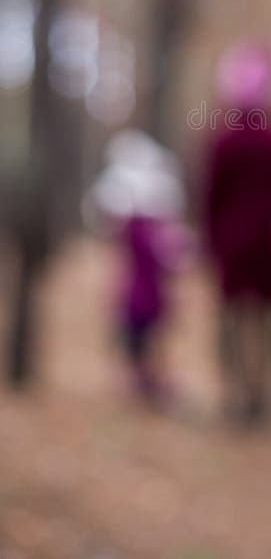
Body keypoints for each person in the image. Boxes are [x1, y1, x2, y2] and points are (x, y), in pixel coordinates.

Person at [202, 43, 271, 426]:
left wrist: (208, 243)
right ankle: (267, 396)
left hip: (230, 244)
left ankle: (235, 395)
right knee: (268, 320)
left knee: (231, 319)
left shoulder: (222, 140)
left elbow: (209, 197)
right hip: (266, 244)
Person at [84, 130, 194, 407]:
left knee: (144, 343)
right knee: (140, 343)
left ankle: (146, 384)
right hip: (141, 299)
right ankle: (142, 384)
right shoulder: (144, 230)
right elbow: (164, 260)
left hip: (143, 299)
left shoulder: (139, 228)